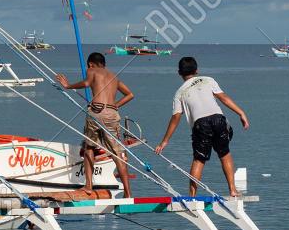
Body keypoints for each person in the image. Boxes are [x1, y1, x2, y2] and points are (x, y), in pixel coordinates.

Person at [153, 56, 249, 197]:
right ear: (197, 70)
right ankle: (233, 190)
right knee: (225, 154)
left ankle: (192, 196)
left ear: (179, 73)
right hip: (218, 119)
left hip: (201, 124)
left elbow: (176, 117)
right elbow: (223, 98)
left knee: (199, 159)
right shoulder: (208, 80)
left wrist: (164, 141)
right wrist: (241, 113)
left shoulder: (179, 93)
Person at [55, 52, 135, 195]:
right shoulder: (113, 77)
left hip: (96, 111)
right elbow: (130, 94)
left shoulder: (91, 70)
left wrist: (68, 85)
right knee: (117, 153)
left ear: (90, 64)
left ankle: (88, 186)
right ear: (104, 65)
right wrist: (115, 105)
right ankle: (128, 191)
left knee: (89, 147)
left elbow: (86, 83)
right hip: (112, 113)